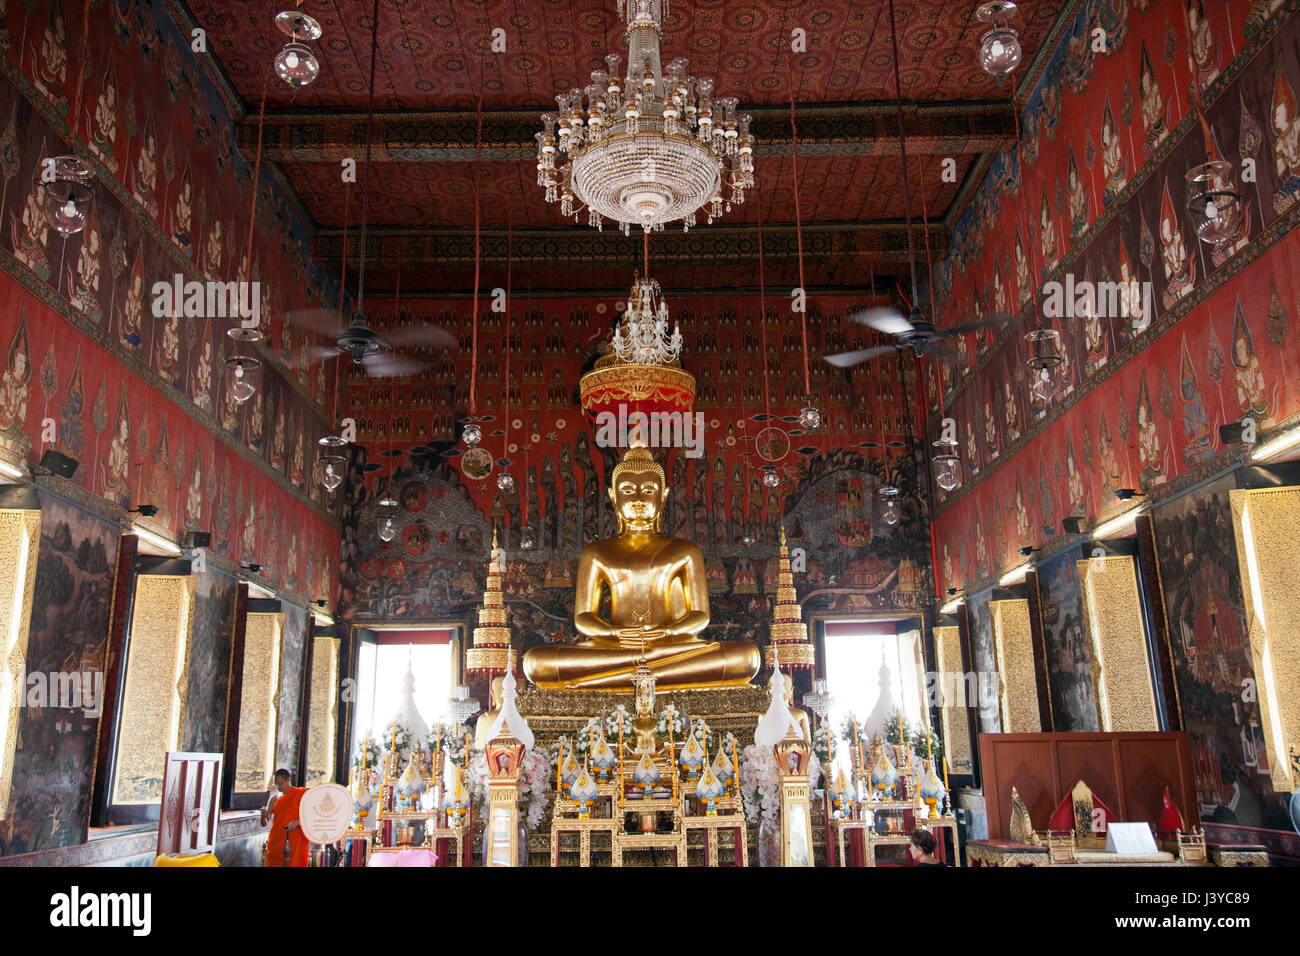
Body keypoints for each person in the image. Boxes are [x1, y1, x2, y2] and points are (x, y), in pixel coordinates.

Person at [262, 769, 308, 867]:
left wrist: (297, 822)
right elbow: (265, 823)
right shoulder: (273, 799)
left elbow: (312, 816)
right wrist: (263, 816)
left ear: (288, 780)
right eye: (277, 784)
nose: (279, 787)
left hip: (295, 840)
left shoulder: (301, 794)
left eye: (281, 784)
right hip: (277, 839)